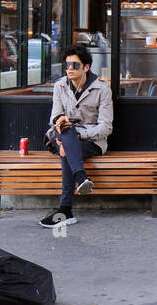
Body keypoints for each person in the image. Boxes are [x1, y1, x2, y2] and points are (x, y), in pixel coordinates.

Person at [40, 44, 114, 229]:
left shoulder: (102, 89)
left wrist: (76, 134)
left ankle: (65, 209)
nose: (70, 69)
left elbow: (106, 128)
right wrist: (60, 122)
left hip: (91, 141)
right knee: (65, 132)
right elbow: (54, 117)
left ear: (86, 67)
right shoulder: (60, 86)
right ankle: (81, 179)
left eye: (75, 65)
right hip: (61, 136)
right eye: (67, 65)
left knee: (67, 149)